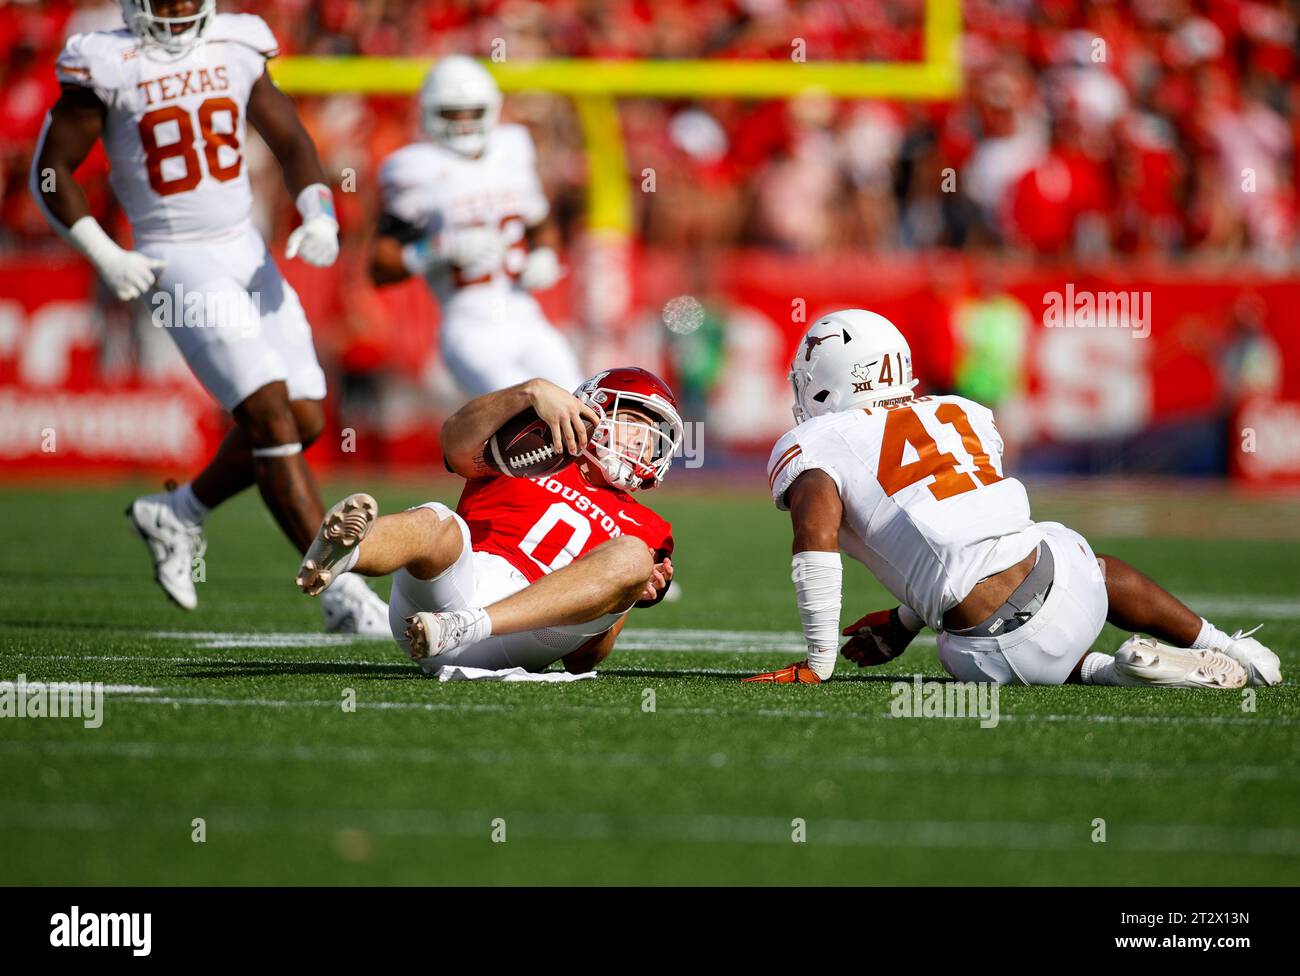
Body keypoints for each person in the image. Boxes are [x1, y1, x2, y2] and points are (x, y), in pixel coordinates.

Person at [30, 0, 388, 634]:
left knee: (304, 415)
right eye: (162, 0)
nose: (175, 12)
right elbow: (52, 173)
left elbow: (290, 138)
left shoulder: (238, 42)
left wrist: (320, 211)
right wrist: (103, 252)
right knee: (269, 413)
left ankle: (179, 510)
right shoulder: (107, 59)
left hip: (244, 247)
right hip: (173, 257)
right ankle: (342, 589)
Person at [745, 309, 1281, 689]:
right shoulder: (962, 411)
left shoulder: (816, 440)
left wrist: (818, 661)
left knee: (976, 636)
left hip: (989, 650)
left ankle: (1111, 671)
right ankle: (1232, 649)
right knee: (1064, 547)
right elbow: (963, 528)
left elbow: (815, 538)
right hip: (1074, 587)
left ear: (829, 382)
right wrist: (903, 621)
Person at [296, 369, 680, 674]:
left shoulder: (649, 527)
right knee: (439, 520)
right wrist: (529, 392)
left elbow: (584, 660)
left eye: (654, 437)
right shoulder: (531, 448)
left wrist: (627, 595)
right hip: (447, 596)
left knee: (633, 555)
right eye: (634, 422)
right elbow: (453, 442)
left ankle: (468, 624)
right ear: (593, 408)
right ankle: (343, 554)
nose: (644, 443)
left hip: (525, 634)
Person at [368, 55, 580, 398]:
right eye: (452, 113)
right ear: (430, 113)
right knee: (527, 417)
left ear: (491, 109)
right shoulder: (414, 169)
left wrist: (545, 254)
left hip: (526, 314)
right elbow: (380, 267)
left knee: (583, 405)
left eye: (472, 112)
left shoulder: (512, 149)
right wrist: (437, 249)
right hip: (469, 325)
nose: (464, 122)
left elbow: (541, 225)